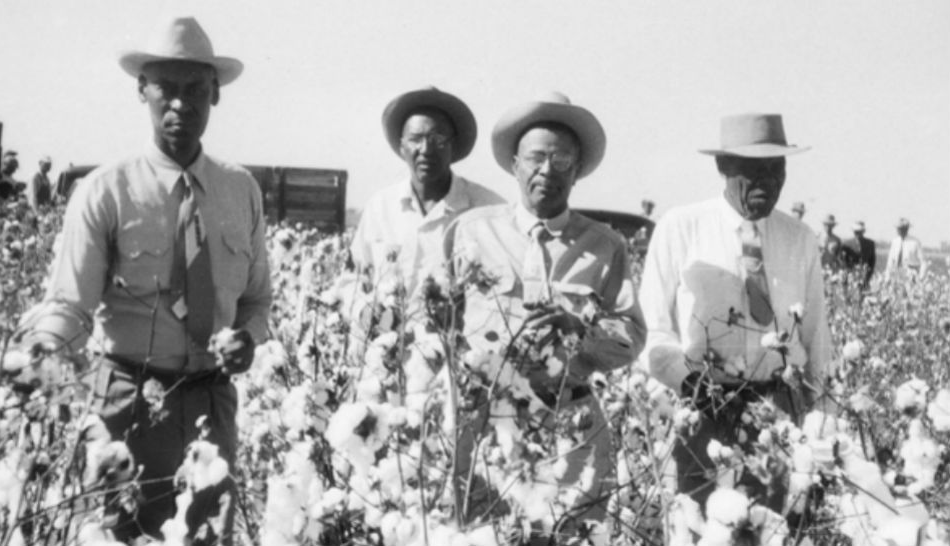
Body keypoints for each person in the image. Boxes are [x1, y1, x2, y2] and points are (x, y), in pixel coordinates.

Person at [17, 16, 270, 542]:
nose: (181, 104)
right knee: (121, 534)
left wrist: (249, 338)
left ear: (215, 94)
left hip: (211, 404)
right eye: (167, 89)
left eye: (196, 90)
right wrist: (32, 361)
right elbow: (70, 304)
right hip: (130, 404)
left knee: (203, 536)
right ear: (142, 91)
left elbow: (257, 300)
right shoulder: (105, 191)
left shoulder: (240, 190)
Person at [444, 92, 646, 541]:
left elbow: (630, 337)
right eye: (536, 158)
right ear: (515, 164)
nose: (547, 171)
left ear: (577, 170)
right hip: (487, 425)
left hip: (569, 425)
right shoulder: (471, 232)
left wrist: (583, 327)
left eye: (562, 160)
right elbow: (440, 326)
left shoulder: (605, 245)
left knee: (568, 536)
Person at [639, 113, 831, 509]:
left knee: (771, 526)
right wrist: (693, 387)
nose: (768, 180)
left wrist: (822, 430)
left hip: (777, 416)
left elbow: (815, 339)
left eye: (776, 168)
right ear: (723, 167)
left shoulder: (801, 239)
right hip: (702, 414)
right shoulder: (681, 227)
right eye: (753, 168)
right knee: (701, 524)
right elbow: (652, 333)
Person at [350, 86, 503, 298]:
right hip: (387, 329)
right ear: (402, 146)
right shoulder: (380, 207)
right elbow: (352, 279)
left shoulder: (488, 208)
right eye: (415, 139)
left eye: (438, 139)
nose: (426, 149)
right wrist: (365, 314)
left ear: (453, 146)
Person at [842, 221, 876, 289]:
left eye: (859, 232)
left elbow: (872, 263)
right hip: (851, 278)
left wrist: (867, 278)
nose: (857, 234)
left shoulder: (870, 243)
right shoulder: (846, 244)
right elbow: (843, 262)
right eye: (856, 232)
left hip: (864, 277)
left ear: (863, 231)